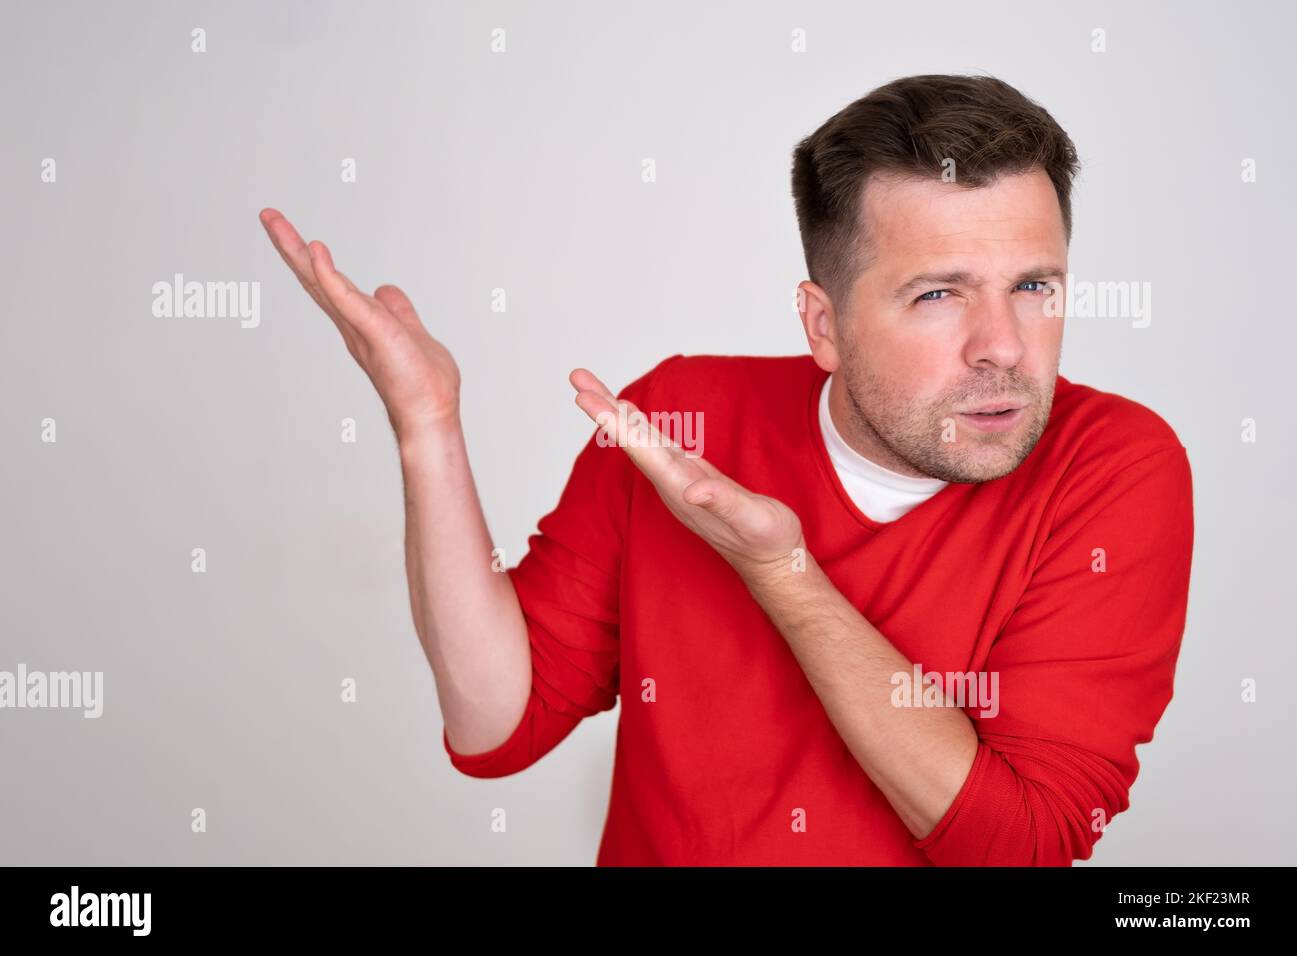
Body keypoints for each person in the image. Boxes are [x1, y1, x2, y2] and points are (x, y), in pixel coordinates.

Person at [258, 73, 1194, 866]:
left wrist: (780, 572)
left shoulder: (1115, 467)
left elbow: (1019, 840)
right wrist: (428, 426)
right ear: (822, 325)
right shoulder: (681, 416)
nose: (1003, 347)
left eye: (1034, 286)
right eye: (939, 293)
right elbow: (495, 725)